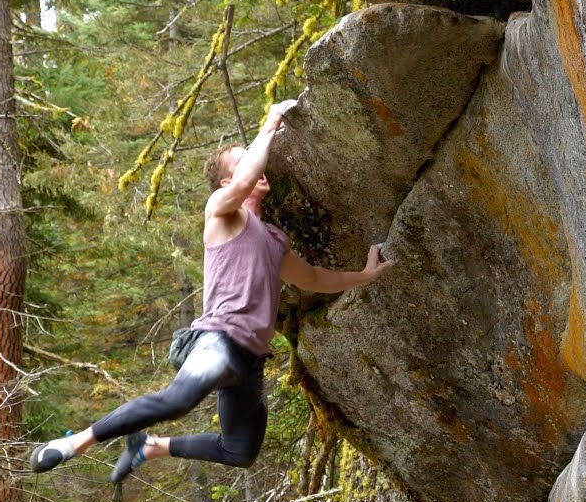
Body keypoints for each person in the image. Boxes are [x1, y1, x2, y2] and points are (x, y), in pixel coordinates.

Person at [29, 100, 393, 482]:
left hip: (249, 361)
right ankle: (75, 442)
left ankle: (149, 447)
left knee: (240, 451)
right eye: (244, 160)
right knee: (178, 401)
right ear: (225, 183)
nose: (256, 165)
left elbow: (313, 279)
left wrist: (364, 276)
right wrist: (270, 121)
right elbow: (242, 184)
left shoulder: (274, 239)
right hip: (217, 341)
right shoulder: (222, 211)